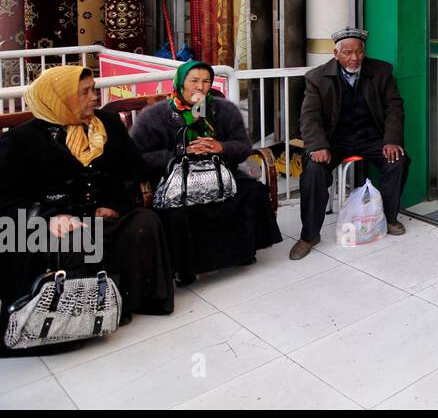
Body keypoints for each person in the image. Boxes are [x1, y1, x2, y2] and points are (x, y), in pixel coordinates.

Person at [0, 66, 173, 339]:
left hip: (100, 214)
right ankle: (73, 318)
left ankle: (128, 302)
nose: (95, 97)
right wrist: (49, 217)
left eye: (94, 89)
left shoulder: (108, 124)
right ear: (59, 98)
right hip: (55, 222)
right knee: (74, 238)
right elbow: (6, 196)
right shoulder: (21, 141)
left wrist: (115, 202)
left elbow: (133, 170)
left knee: (144, 222)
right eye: (85, 92)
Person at [129, 61, 282, 285]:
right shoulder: (156, 115)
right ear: (181, 83)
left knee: (252, 192)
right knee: (178, 212)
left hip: (218, 172)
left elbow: (243, 147)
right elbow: (137, 157)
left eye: (206, 81)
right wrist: (178, 154)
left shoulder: (223, 110)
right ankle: (185, 267)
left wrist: (221, 147)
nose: (200, 87)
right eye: (194, 81)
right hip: (175, 178)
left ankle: (242, 252)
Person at [290, 27, 409, 259]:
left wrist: (392, 140)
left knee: (398, 160)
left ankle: (389, 217)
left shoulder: (382, 72)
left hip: (371, 138)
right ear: (336, 53)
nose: (354, 58)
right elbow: (309, 116)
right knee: (313, 171)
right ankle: (309, 235)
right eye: (347, 53)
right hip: (334, 141)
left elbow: (394, 108)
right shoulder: (317, 78)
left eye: (359, 52)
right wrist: (317, 145)